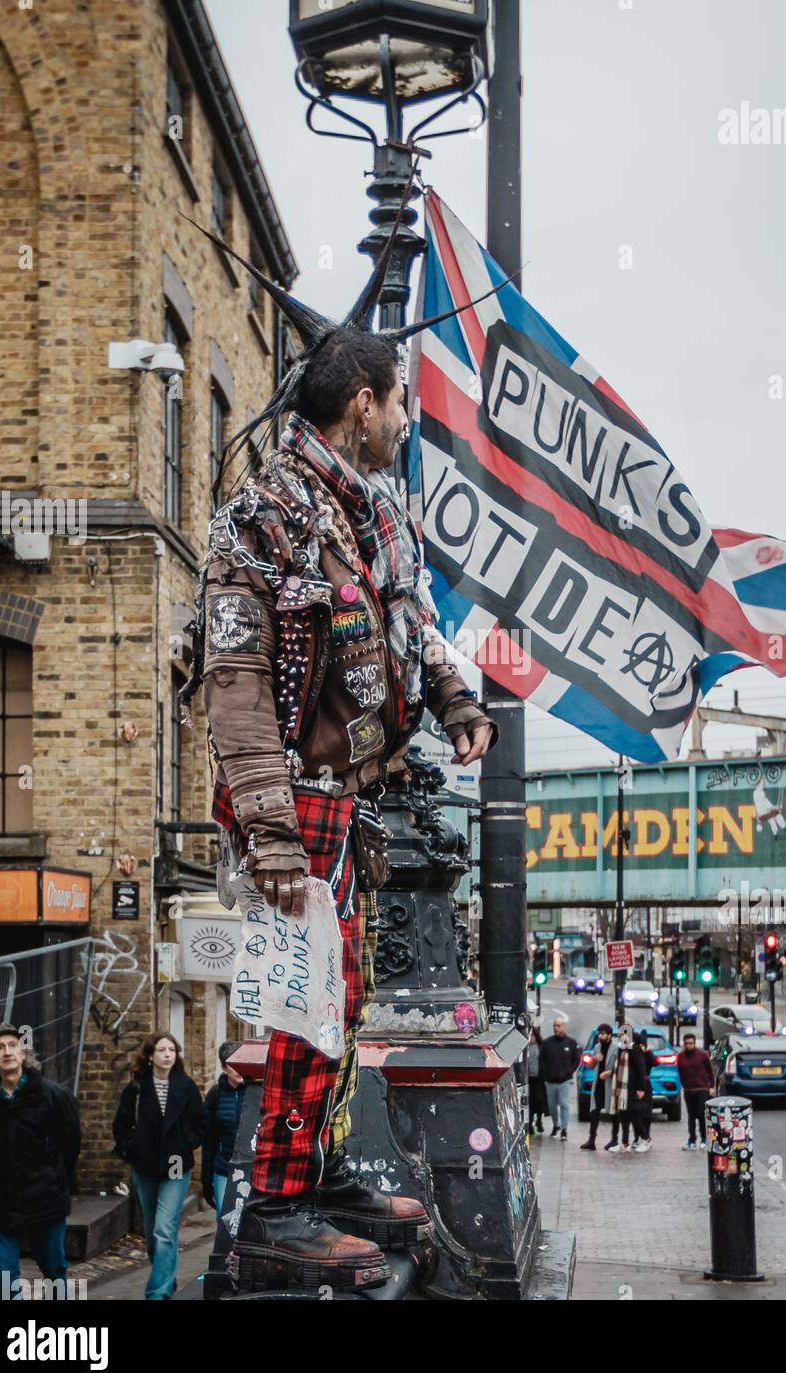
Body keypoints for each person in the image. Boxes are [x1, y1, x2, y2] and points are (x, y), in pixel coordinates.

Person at [179, 204, 501, 1294]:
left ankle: (309, 1180)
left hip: (345, 796)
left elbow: (409, 626)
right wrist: (267, 830)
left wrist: (453, 697)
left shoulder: (373, 512)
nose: (408, 417)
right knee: (299, 998)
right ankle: (273, 1210)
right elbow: (232, 685)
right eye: (401, 400)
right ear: (362, 403)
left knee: (340, 997)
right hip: (296, 801)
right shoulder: (260, 518)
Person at [0, 1023, 80, 1300]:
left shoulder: (53, 1094)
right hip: (5, 1198)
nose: (7, 1052)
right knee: (5, 1276)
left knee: (53, 1268)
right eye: (0, 1048)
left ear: (23, 1053)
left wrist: (56, 1178)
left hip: (46, 1194)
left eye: (12, 1045)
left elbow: (70, 1142)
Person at [112, 1032, 207, 1300]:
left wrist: (186, 1143)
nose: (167, 1054)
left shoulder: (185, 1086)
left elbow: (201, 1122)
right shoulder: (137, 1087)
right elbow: (121, 1124)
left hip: (176, 1165)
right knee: (154, 1233)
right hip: (146, 1165)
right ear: (150, 1056)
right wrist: (131, 1150)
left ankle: (158, 1293)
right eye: (162, 1050)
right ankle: (166, 1274)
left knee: (165, 1227)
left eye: (172, 1050)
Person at [202, 1040, 249, 1216]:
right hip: (224, 1168)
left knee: (246, 1222)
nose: (240, 1069)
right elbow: (209, 1141)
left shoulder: (257, 1092)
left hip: (252, 1168)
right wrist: (206, 1180)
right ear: (224, 1068)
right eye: (233, 1065)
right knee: (225, 1220)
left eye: (242, 1063)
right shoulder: (215, 1095)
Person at [601, 1024, 648, 1153]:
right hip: (621, 1088)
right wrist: (610, 1073)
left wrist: (640, 1088)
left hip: (631, 1088)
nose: (620, 1037)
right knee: (624, 1116)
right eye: (619, 1035)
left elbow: (640, 1069)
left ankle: (646, 1138)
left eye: (622, 1035)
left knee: (634, 1115)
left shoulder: (634, 1048)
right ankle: (625, 1143)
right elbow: (618, 1067)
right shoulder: (622, 1049)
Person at [539, 1017, 580, 1140]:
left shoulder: (571, 1043)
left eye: (558, 1025)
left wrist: (569, 1072)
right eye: (554, 1025)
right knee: (552, 1105)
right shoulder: (547, 1043)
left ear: (564, 1027)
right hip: (551, 1081)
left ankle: (564, 1129)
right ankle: (556, 1124)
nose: (556, 1028)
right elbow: (542, 1060)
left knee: (564, 1103)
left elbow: (577, 1060)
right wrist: (546, 1073)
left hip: (565, 1081)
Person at [676, 1032, 713, 1151]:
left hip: (702, 1089)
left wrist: (711, 1086)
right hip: (688, 1090)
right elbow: (680, 1071)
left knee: (701, 1114)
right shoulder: (680, 1056)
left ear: (695, 1043)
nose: (688, 1045)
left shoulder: (702, 1055)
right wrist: (683, 1085)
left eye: (691, 1043)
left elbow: (710, 1070)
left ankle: (703, 1139)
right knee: (691, 1116)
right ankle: (692, 1139)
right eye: (686, 1043)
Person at [580, 1023, 614, 1151]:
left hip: (610, 1085)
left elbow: (619, 1067)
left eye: (603, 1034)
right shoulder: (597, 1046)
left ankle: (614, 1139)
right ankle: (591, 1139)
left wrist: (610, 1072)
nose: (600, 1036)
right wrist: (595, 1058)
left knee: (613, 1113)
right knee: (594, 1112)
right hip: (598, 1085)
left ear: (609, 1035)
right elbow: (590, 1066)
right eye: (599, 1033)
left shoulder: (615, 1048)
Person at [629, 1030, 653, 1152]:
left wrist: (647, 1053)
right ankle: (637, 1137)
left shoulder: (644, 1053)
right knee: (635, 1113)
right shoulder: (632, 1052)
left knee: (645, 1113)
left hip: (645, 1085)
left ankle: (646, 1137)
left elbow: (654, 1063)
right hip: (634, 1084)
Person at [527, 1025, 548, 1137]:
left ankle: (539, 1120)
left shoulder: (541, 1047)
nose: (531, 1038)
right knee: (530, 1102)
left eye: (533, 1035)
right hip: (529, 1079)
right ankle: (530, 1124)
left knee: (539, 1101)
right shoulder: (525, 1048)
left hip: (539, 1079)